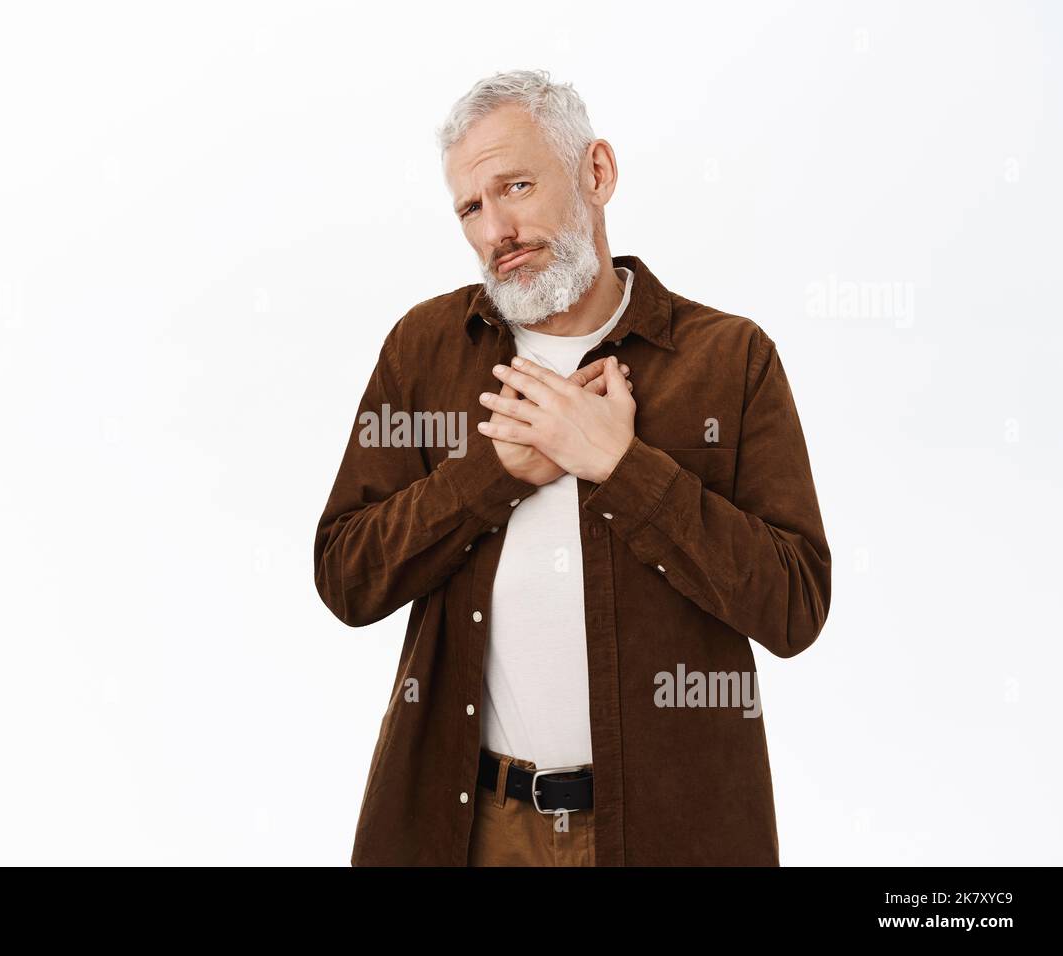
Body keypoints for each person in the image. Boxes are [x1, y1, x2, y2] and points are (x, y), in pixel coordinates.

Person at [314, 68, 831, 866]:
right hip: (473, 830)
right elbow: (347, 577)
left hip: (668, 835)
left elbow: (794, 606)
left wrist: (622, 466)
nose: (497, 229)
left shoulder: (730, 360)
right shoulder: (425, 348)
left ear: (597, 172)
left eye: (516, 187)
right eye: (470, 207)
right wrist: (492, 476)